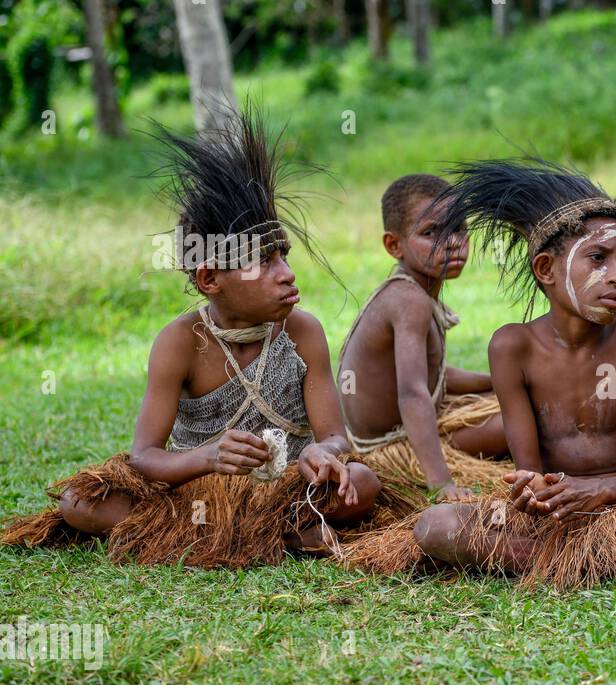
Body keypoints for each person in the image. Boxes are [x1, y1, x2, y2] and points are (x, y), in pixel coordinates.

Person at [2, 106, 415, 567]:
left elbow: (336, 435)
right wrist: (208, 456)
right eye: (264, 261)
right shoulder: (179, 342)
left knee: (362, 484)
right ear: (209, 279)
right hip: (197, 490)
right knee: (80, 502)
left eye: (284, 256)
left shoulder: (302, 331)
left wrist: (323, 452)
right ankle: (274, 535)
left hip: (286, 490)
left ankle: (243, 531)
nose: (287, 274)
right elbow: (145, 456)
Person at [344, 158, 616, 587]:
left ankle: (569, 564)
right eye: (598, 258)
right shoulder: (512, 346)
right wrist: (536, 493)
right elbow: (529, 476)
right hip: (553, 521)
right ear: (545, 270)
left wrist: (592, 492)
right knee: (436, 525)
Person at [336, 173, 509, 498]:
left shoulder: (415, 292)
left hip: (408, 430)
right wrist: (442, 483)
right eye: (431, 233)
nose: (452, 242)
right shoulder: (410, 300)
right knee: (524, 416)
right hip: (395, 448)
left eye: (459, 229)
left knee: (510, 397)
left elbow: (435, 375)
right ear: (393, 245)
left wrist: (496, 381)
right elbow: (413, 394)